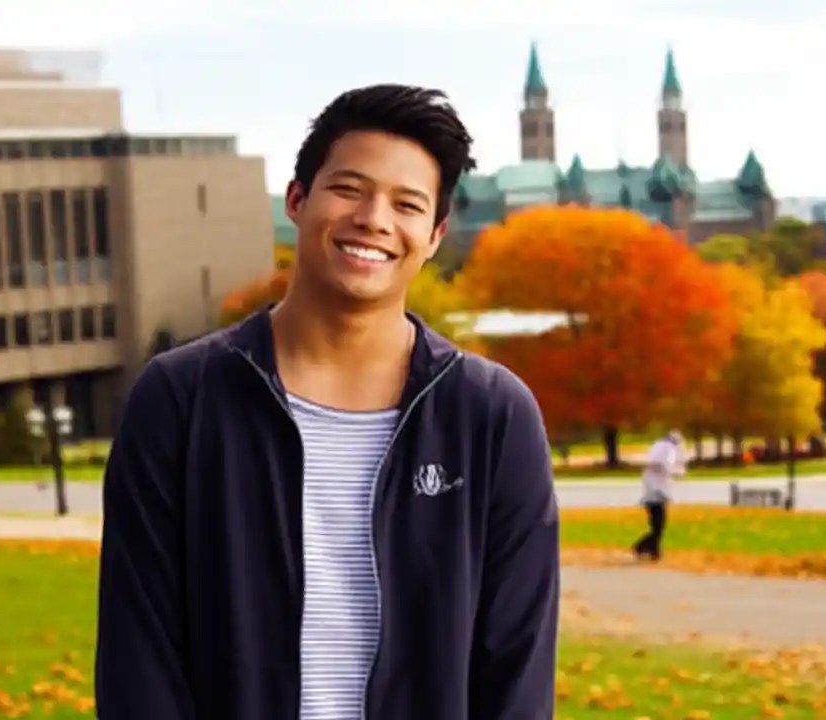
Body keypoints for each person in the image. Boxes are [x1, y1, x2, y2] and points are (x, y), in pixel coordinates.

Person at [95, 84, 560, 720]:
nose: (374, 219)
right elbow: (138, 654)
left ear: (434, 234)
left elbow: (517, 666)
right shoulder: (182, 397)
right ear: (297, 199)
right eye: (349, 188)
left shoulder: (491, 415)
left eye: (407, 204)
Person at [632, 429, 685, 562]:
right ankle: (643, 547)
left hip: (651, 491)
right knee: (659, 524)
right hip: (657, 492)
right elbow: (667, 465)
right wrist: (677, 472)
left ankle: (652, 550)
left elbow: (655, 463)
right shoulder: (668, 449)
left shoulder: (657, 446)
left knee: (657, 524)